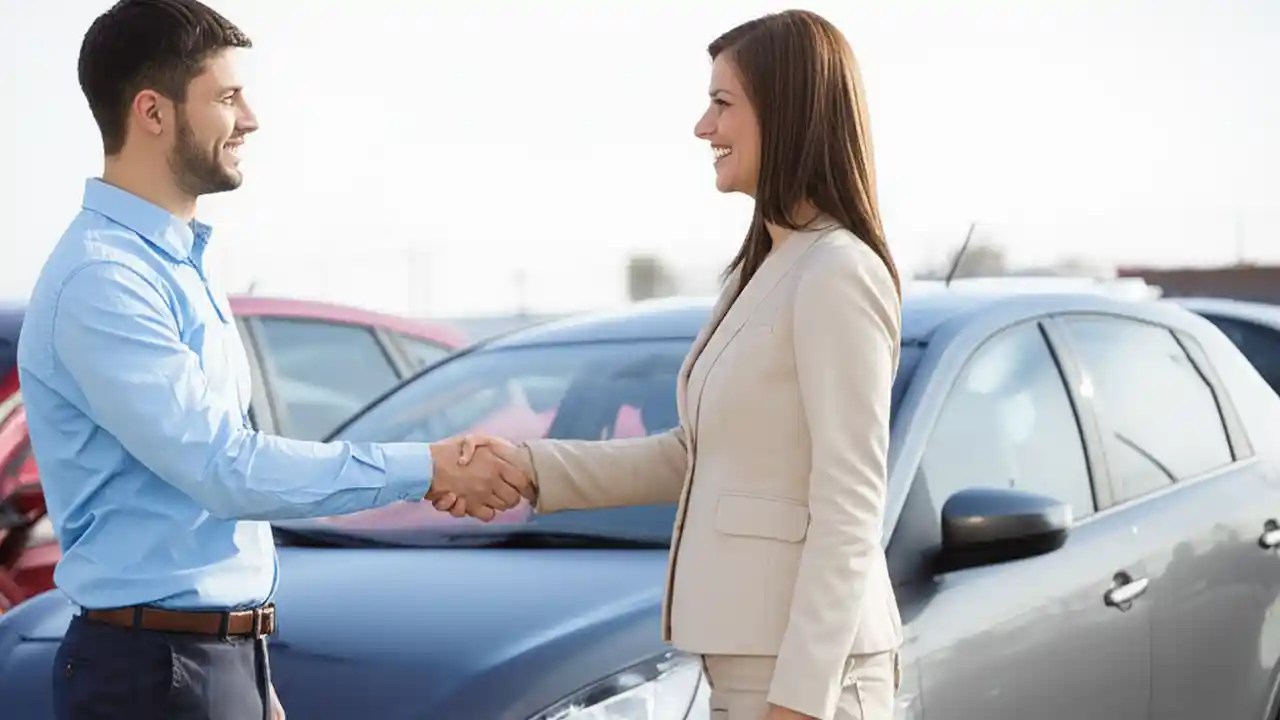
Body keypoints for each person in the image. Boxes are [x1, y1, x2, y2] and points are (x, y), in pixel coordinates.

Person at [15, 2, 526, 718]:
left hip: (205, 663)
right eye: (226, 97)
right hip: (152, 675)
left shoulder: (175, 263)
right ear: (152, 112)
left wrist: (250, 674)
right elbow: (227, 469)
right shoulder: (104, 279)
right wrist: (431, 465)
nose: (250, 118)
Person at [444, 10, 904, 720]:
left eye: (722, 104)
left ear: (786, 112)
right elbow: (696, 454)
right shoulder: (766, 269)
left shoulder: (837, 271)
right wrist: (529, 467)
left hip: (806, 676)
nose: (703, 128)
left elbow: (850, 504)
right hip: (747, 667)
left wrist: (802, 699)